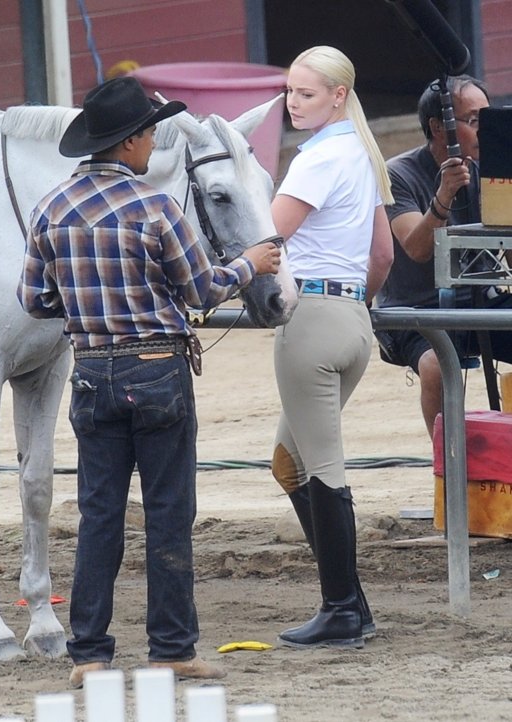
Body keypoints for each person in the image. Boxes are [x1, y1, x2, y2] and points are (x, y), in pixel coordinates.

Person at [16, 76, 283, 688]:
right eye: (151, 133)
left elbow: (33, 299)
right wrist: (250, 263)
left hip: (90, 374)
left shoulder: (51, 208)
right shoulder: (155, 207)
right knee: (167, 512)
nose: (155, 141)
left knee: (99, 515)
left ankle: (89, 654)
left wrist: (87, 303)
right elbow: (202, 290)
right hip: (157, 370)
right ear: (132, 141)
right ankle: (170, 647)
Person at [268, 46, 394, 649]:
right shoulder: (362, 155)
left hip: (312, 322)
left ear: (339, 96)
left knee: (322, 466)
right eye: (290, 91)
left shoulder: (316, 160)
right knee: (288, 461)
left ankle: (342, 606)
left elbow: (267, 239)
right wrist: (351, 309)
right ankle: (353, 602)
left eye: (307, 94)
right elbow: (383, 257)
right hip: (351, 319)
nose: (294, 102)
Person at [375, 75, 512, 439]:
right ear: (439, 127)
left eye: (488, 119)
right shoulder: (396, 175)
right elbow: (417, 248)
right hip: (415, 311)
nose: (484, 130)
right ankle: (449, 471)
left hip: (478, 302)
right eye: (473, 121)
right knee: (437, 365)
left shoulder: (490, 171)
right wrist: (444, 195)